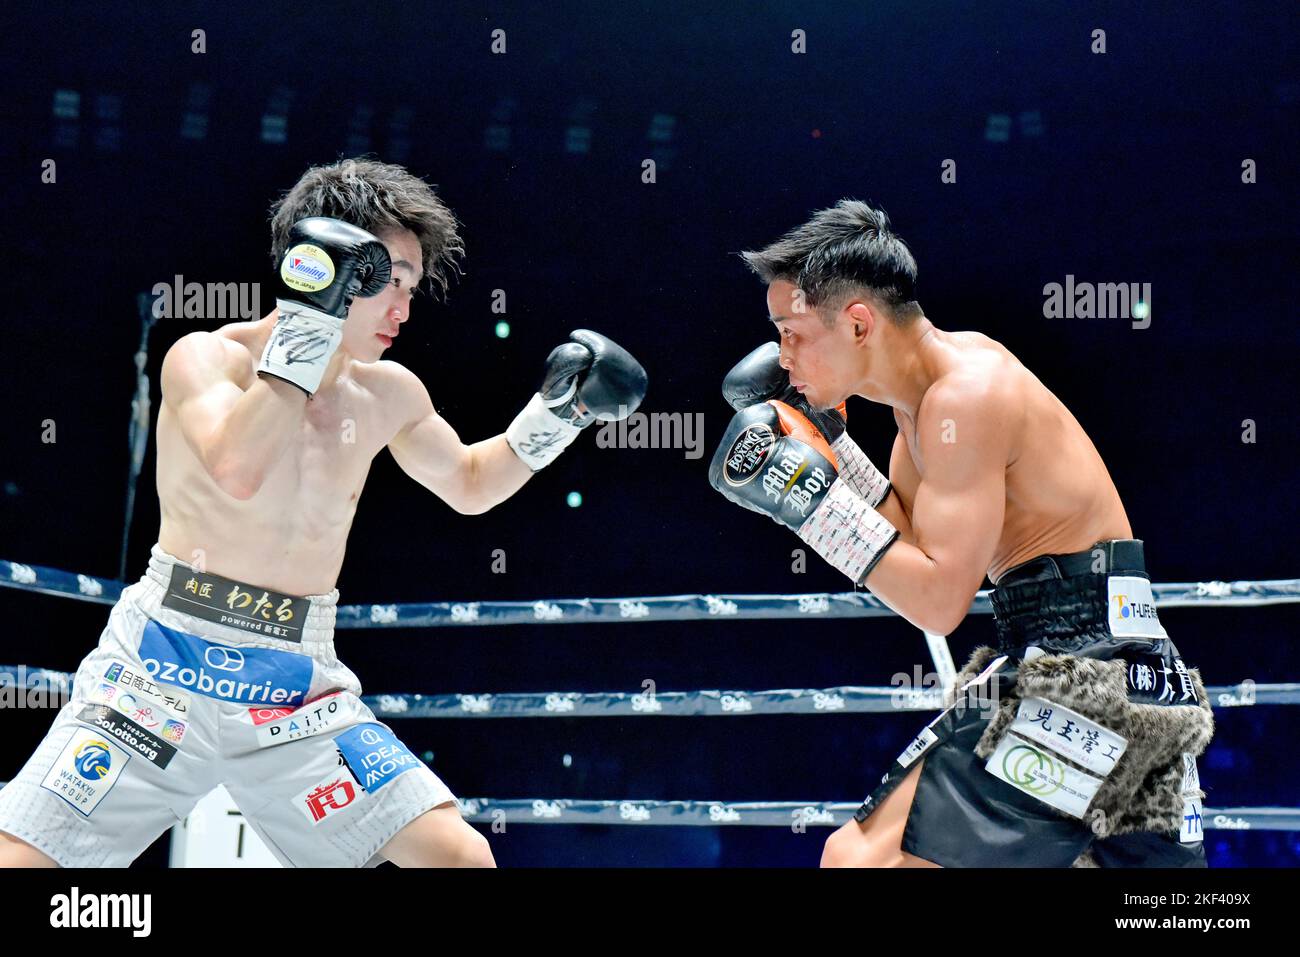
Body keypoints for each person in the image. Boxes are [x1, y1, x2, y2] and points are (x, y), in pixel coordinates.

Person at [0, 158, 647, 867]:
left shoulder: (388, 393)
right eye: (389, 281)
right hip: (159, 662)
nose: (404, 308)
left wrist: (564, 412)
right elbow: (238, 468)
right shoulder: (206, 358)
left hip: (296, 686)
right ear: (331, 262)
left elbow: (469, 483)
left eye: (411, 288)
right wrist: (308, 326)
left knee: (460, 858)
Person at [709, 199, 1213, 867]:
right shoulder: (920, 420)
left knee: (861, 860)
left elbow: (940, 602)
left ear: (858, 322)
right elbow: (912, 559)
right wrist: (833, 449)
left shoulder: (965, 397)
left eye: (792, 331)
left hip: (1089, 669)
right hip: (1097, 666)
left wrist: (809, 501)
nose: (781, 353)